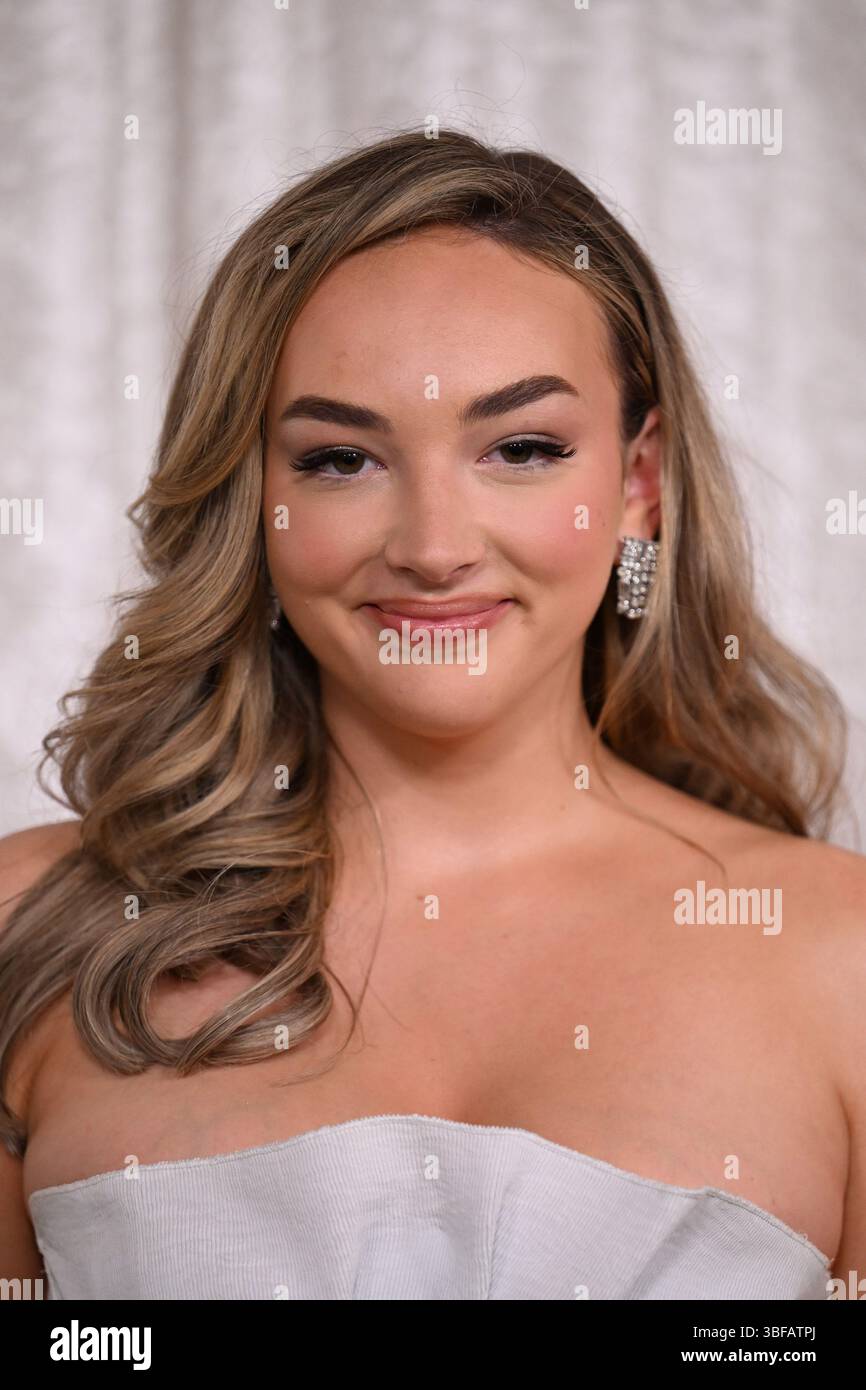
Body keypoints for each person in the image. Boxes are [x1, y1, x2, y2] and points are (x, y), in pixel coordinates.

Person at [0, 128, 863, 1301]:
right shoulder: (33, 929)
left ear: (637, 484)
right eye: (341, 460)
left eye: (519, 447)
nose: (433, 548)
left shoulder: (837, 959)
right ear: (253, 500)